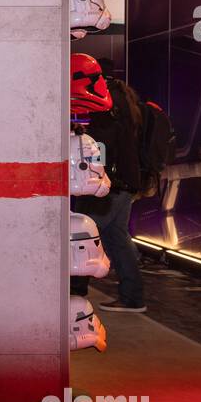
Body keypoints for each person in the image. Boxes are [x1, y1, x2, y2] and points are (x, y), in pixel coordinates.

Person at [70, 53, 147, 312]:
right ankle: (133, 298)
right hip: (125, 181)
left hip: (108, 183)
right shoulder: (124, 100)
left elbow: (101, 143)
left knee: (81, 234)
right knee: (117, 239)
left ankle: (74, 293)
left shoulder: (101, 101)